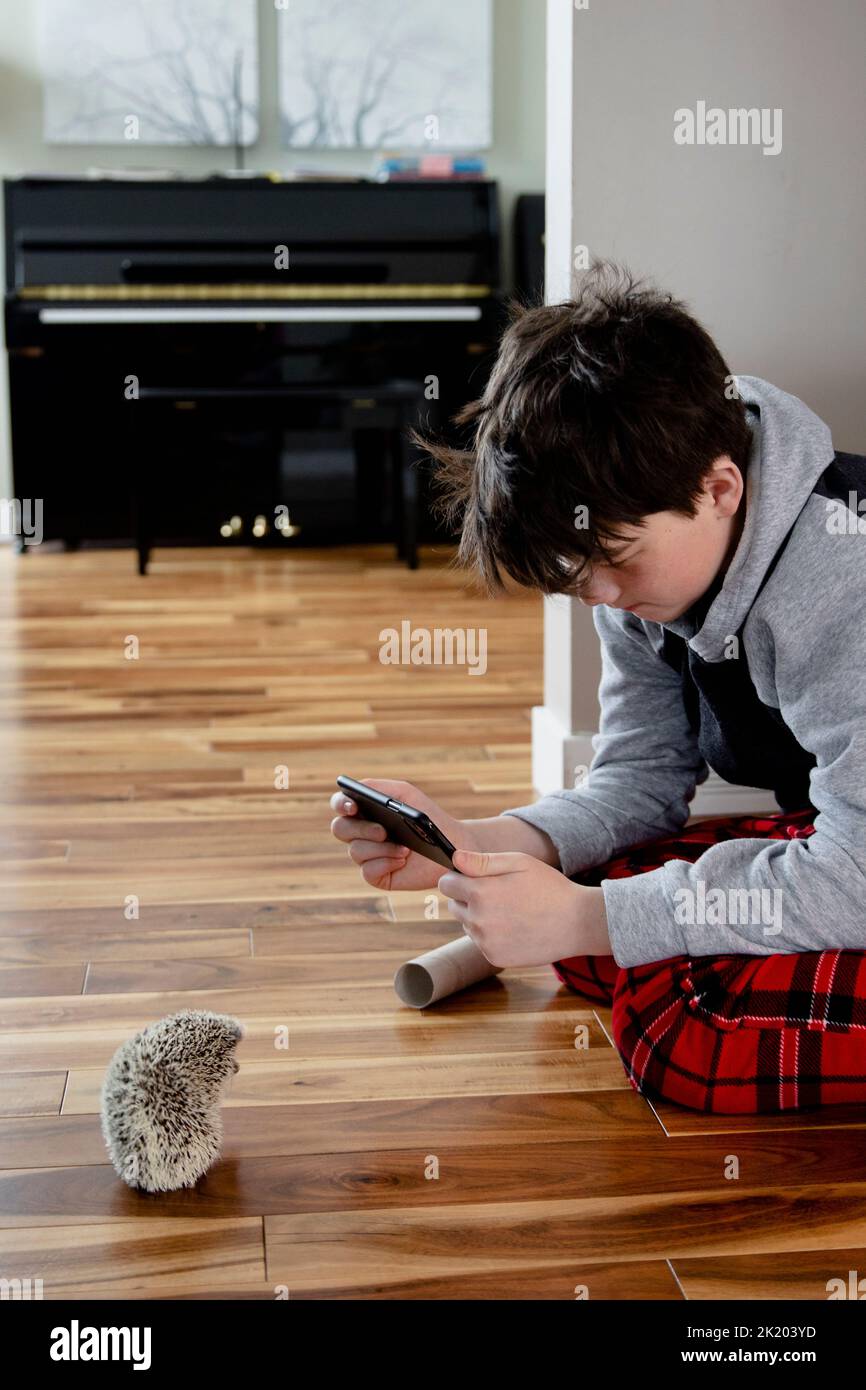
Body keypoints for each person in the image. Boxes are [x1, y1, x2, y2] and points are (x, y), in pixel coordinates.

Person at [330, 260, 866, 1114]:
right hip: (842, 831)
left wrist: (590, 919)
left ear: (718, 487)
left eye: (614, 566)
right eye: (578, 578)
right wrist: (471, 838)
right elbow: (640, 783)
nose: (602, 598)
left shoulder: (840, 579)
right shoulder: (642, 546)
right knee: (592, 924)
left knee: (679, 1032)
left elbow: (858, 875)